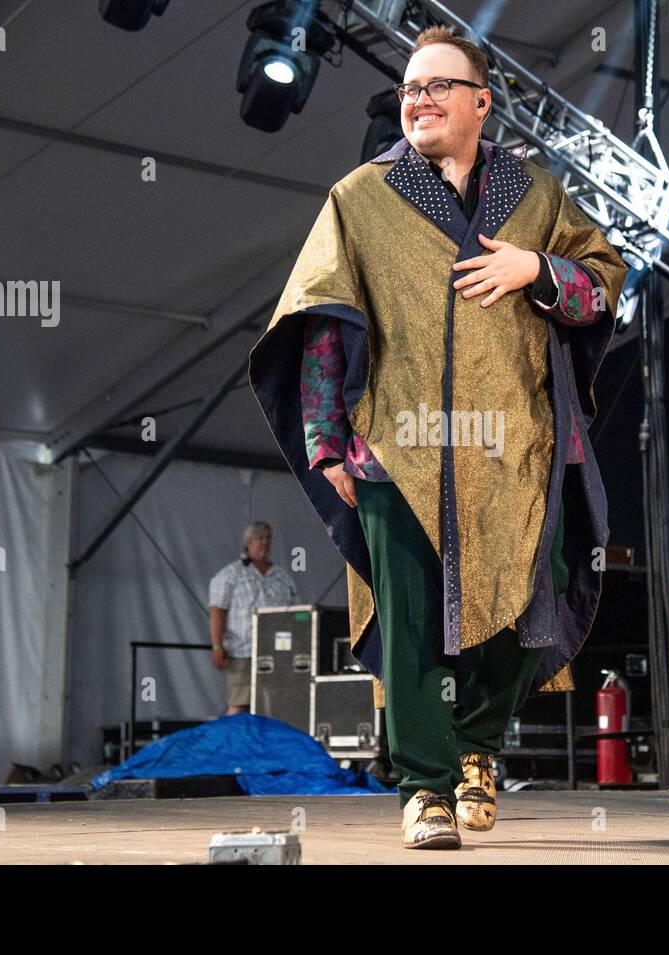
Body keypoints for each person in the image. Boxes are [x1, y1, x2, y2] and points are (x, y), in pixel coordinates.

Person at [249, 27, 627, 849]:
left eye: (436, 87)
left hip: (522, 446)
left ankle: (479, 747)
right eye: (408, 90)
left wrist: (539, 270)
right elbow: (319, 322)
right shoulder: (361, 195)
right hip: (397, 445)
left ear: (481, 102)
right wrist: (324, 441)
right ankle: (424, 786)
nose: (416, 100)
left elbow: (604, 285)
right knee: (412, 616)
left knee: (542, 594)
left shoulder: (536, 196)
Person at [208, 522, 297, 716]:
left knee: (275, 704)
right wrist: (217, 646)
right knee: (240, 702)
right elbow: (217, 611)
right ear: (248, 542)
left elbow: (296, 611)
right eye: (260, 538)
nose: (265, 542)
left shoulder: (281, 576)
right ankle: (234, 745)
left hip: (278, 652)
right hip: (243, 651)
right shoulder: (230, 575)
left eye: (268, 538)